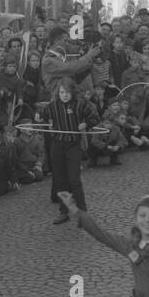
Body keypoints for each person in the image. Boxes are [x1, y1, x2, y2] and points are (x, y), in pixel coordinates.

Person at [45, 78, 96, 224]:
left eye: (67, 92)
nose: (64, 95)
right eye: (62, 92)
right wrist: (42, 119)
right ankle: (63, 211)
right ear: (58, 93)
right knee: (61, 180)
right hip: (57, 145)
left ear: (72, 92)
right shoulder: (52, 106)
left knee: (74, 180)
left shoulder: (80, 104)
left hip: (73, 145)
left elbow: (94, 118)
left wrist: (85, 124)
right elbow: (41, 116)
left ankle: (83, 213)